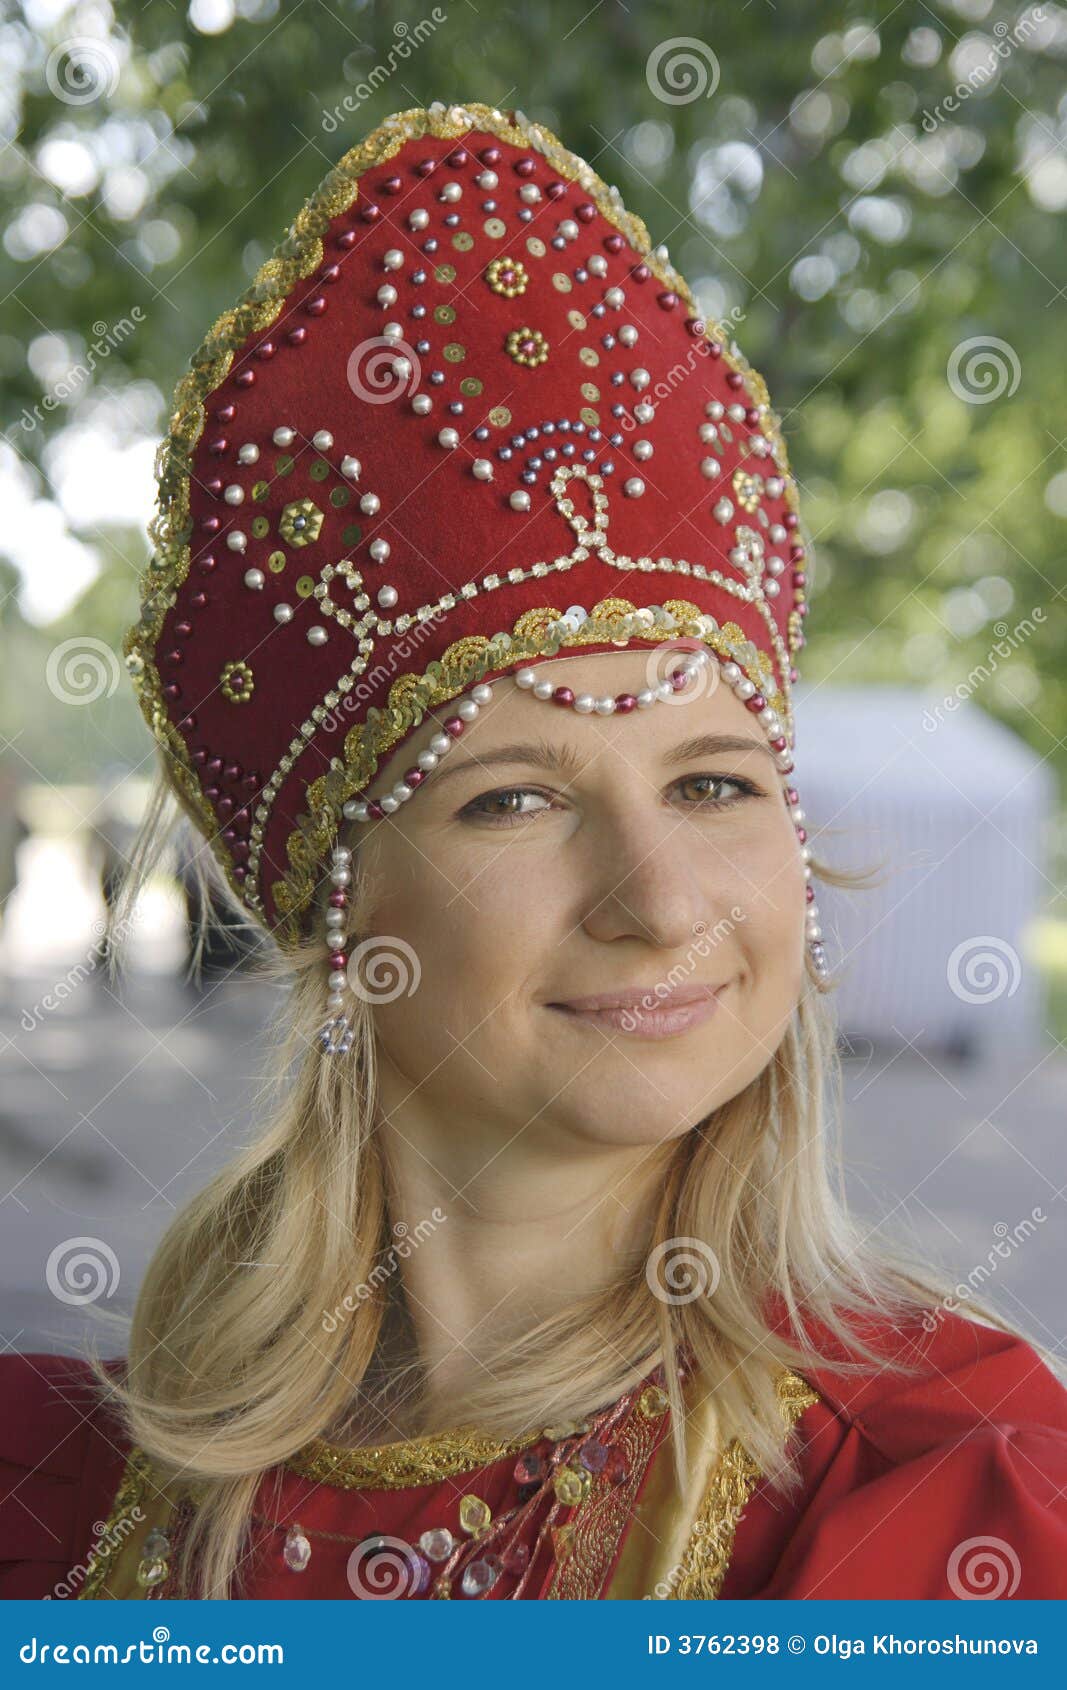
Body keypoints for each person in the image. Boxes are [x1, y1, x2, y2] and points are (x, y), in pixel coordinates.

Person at [2, 101, 1065, 1604]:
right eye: (511, 800)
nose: (663, 901)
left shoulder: (944, 1502)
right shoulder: (61, 1490)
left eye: (713, 783)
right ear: (338, 914)